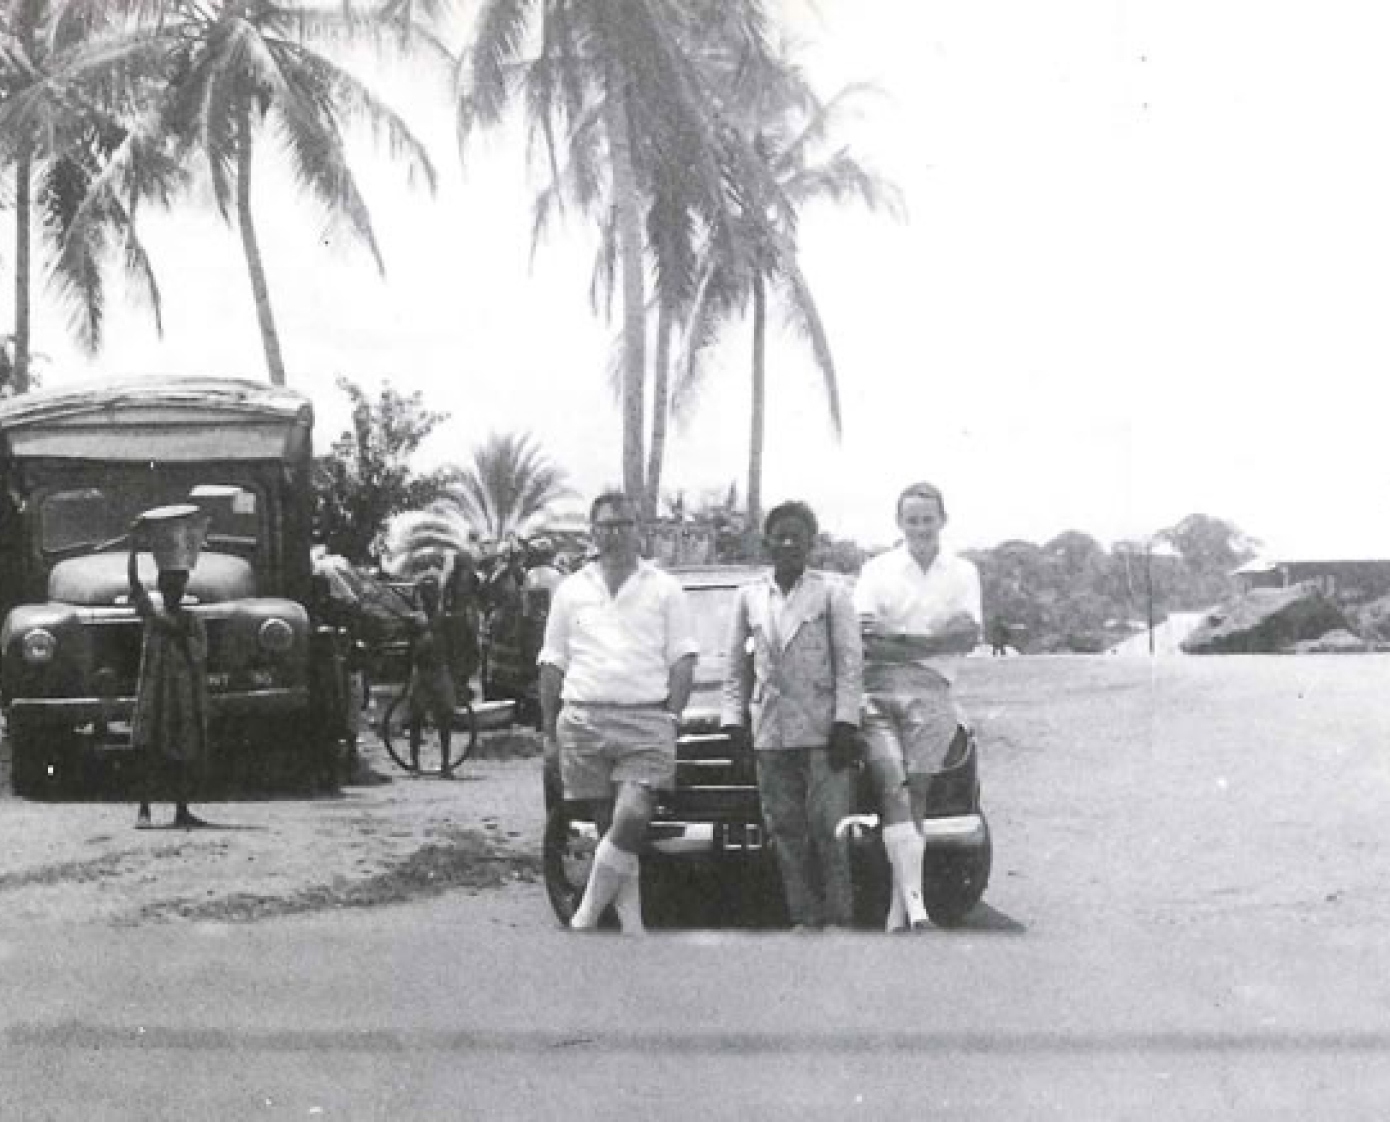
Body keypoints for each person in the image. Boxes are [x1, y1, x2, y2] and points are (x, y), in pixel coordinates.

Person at [538, 491, 699, 934]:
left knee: (632, 817)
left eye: (624, 524)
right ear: (594, 531)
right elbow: (553, 661)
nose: (615, 533)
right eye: (606, 525)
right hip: (584, 718)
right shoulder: (571, 590)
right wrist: (549, 731)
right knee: (608, 825)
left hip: (645, 719)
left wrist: (672, 715)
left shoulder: (664, 588)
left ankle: (587, 913)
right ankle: (633, 923)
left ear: (638, 529)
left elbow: (682, 658)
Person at [719, 501, 863, 930]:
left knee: (831, 831)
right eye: (779, 535)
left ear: (809, 543)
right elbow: (735, 669)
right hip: (771, 733)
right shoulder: (749, 597)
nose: (787, 543)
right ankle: (803, 917)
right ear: (766, 542)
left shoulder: (832, 594)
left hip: (822, 733)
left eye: (796, 536)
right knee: (784, 831)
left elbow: (850, 662)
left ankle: (839, 918)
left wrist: (845, 722)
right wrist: (734, 724)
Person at [853, 481, 983, 931]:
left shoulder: (963, 573)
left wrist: (904, 640)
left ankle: (899, 909)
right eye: (912, 520)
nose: (921, 528)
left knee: (920, 794)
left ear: (942, 520)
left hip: (933, 691)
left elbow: (968, 638)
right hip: (878, 692)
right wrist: (933, 641)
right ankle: (918, 910)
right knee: (895, 787)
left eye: (928, 519)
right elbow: (867, 642)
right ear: (899, 522)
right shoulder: (876, 570)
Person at [128, 515, 210, 829]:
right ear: (162, 586)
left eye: (177, 585)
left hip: (180, 694)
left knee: (182, 752)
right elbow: (135, 587)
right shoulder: (156, 616)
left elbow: (199, 655)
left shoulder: (188, 621)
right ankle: (145, 809)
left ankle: (180, 809)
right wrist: (134, 550)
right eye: (167, 584)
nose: (172, 590)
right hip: (156, 690)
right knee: (149, 750)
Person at [407, 572, 457, 778]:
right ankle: (415, 764)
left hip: (439, 670)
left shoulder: (445, 618)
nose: (429, 596)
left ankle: (445, 764)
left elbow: (453, 648)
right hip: (422, 671)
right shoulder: (415, 620)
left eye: (432, 592)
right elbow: (409, 649)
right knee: (416, 719)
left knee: (444, 718)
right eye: (425, 592)